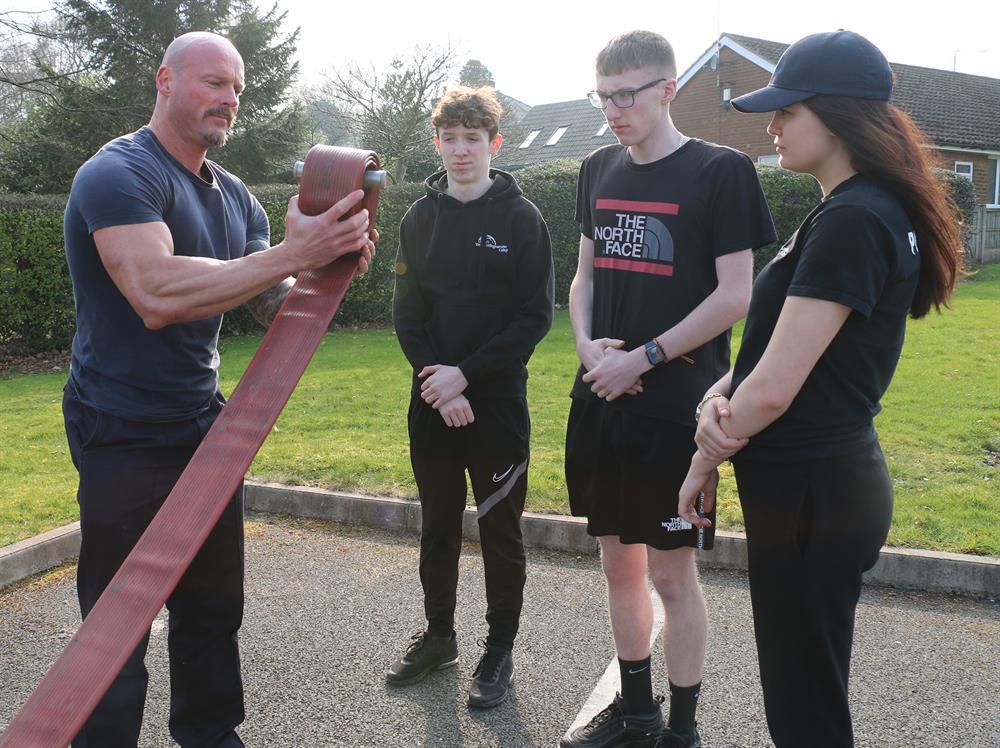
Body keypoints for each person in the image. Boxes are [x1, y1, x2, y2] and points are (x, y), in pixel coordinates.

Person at [62, 31, 376, 746]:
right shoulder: (118, 174)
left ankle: (210, 735)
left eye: (236, 87)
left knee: (211, 604)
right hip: (121, 427)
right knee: (120, 618)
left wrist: (322, 276)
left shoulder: (235, 197)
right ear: (165, 81)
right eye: (212, 83)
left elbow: (271, 298)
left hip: (204, 425)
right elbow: (155, 291)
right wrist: (294, 253)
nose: (229, 100)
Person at [677, 30, 962, 748]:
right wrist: (719, 395)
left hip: (813, 498)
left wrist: (703, 458)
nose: (771, 127)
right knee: (808, 687)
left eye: (787, 111)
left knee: (805, 706)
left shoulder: (854, 219)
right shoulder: (857, 210)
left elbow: (773, 389)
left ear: (838, 115)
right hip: (821, 489)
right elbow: (767, 357)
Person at [562, 30, 776, 748]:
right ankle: (635, 711)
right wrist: (588, 345)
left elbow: (735, 295)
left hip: (674, 413)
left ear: (667, 89)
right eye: (605, 96)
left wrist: (644, 358)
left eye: (629, 93)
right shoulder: (595, 168)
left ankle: (681, 730)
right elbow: (584, 275)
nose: (616, 109)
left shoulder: (721, 172)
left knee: (673, 576)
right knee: (616, 563)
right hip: (600, 401)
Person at [388, 85, 554, 709]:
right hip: (433, 401)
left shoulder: (521, 218)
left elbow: (533, 316)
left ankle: (499, 648)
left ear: (494, 144)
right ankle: (438, 637)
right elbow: (409, 315)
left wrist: (468, 377)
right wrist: (440, 382)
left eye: (472, 139)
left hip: (497, 405)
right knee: (436, 527)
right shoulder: (419, 219)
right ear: (437, 143)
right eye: (449, 139)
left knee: (500, 531)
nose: (460, 151)